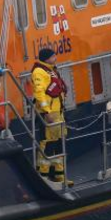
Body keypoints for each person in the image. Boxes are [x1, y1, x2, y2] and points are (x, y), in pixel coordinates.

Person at [31, 48, 70, 186]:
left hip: (57, 113)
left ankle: (59, 175)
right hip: (49, 114)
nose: (55, 58)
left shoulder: (51, 70)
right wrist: (47, 111)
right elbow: (39, 93)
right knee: (47, 143)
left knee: (59, 142)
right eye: (53, 56)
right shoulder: (39, 72)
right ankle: (44, 177)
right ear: (46, 58)